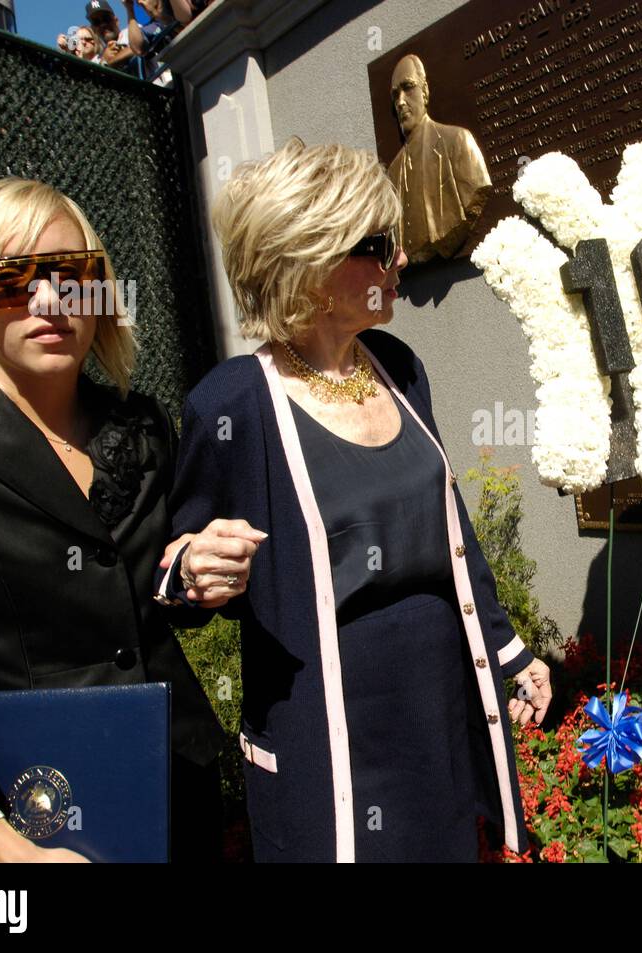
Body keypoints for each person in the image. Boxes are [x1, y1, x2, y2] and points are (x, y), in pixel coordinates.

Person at [160, 137, 552, 862]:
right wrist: (192, 571)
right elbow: (178, 566)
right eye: (379, 245)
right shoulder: (234, 403)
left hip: (436, 717)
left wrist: (507, 648)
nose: (400, 259)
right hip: (333, 740)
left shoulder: (399, 366)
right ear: (308, 264)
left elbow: (449, 526)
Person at [0, 178, 231, 862]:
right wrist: (3, 845)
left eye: (72, 275)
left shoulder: (142, 424)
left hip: (174, 793)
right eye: (8, 279)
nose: (48, 299)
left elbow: (164, 600)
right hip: (21, 820)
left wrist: (196, 571)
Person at [387, 54, 494, 263]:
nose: (400, 102)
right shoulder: (392, 172)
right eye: (395, 95)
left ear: (425, 91)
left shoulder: (457, 141)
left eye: (408, 87)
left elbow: (476, 191)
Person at [86, 0, 136, 75]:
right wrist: (103, 60)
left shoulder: (131, 32)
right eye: (96, 22)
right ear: (94, 30)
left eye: (106, 18)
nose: (103, 25)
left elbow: (139, 46)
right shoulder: (97, 60)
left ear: (116, 21)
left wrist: (108, 63)